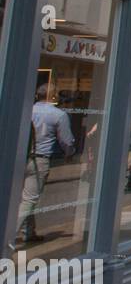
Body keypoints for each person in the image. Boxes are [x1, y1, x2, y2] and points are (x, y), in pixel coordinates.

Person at [19, 85, 75, 245]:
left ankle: (28, 232)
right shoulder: (58, 114)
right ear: (53, 97)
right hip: (40, 159)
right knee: (29, 199)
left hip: (20, 158)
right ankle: (6, 237)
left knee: (24, 198)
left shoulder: (27, 109)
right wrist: (69, 154)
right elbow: (66, 141)